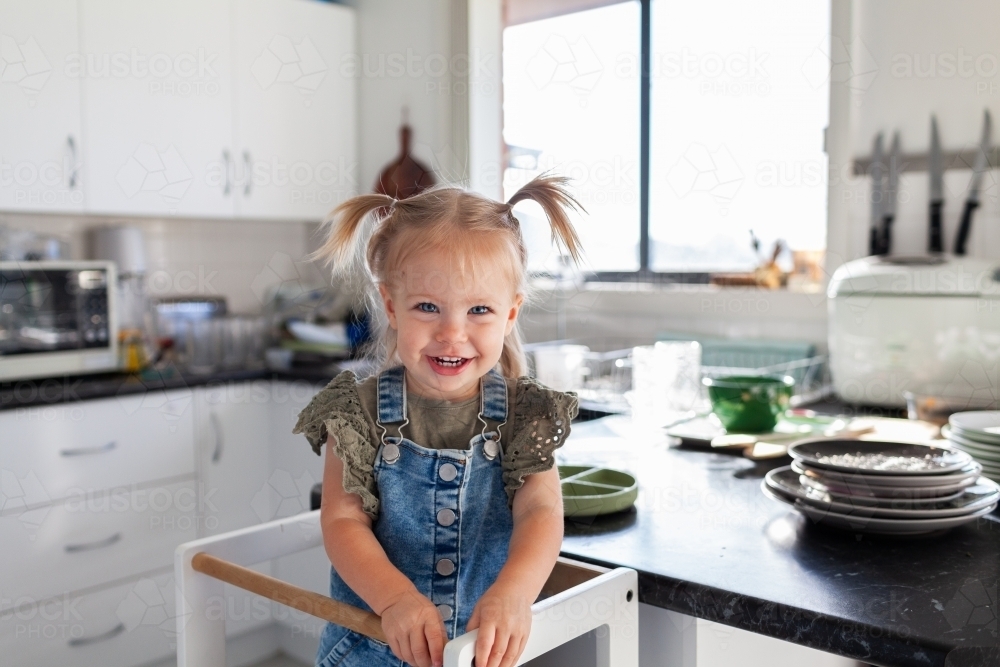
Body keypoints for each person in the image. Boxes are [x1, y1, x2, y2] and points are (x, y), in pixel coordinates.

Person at [293, 174, 584, 667]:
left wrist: (514, 594)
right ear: (392, 306)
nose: (452, 332)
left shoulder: (525, 416)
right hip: (367, 650)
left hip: (476, 653)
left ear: (510, 315)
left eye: (479, 310)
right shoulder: (356, 413)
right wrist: (395, 601)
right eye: (428, 307)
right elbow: (342, 520)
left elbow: (541, 513)